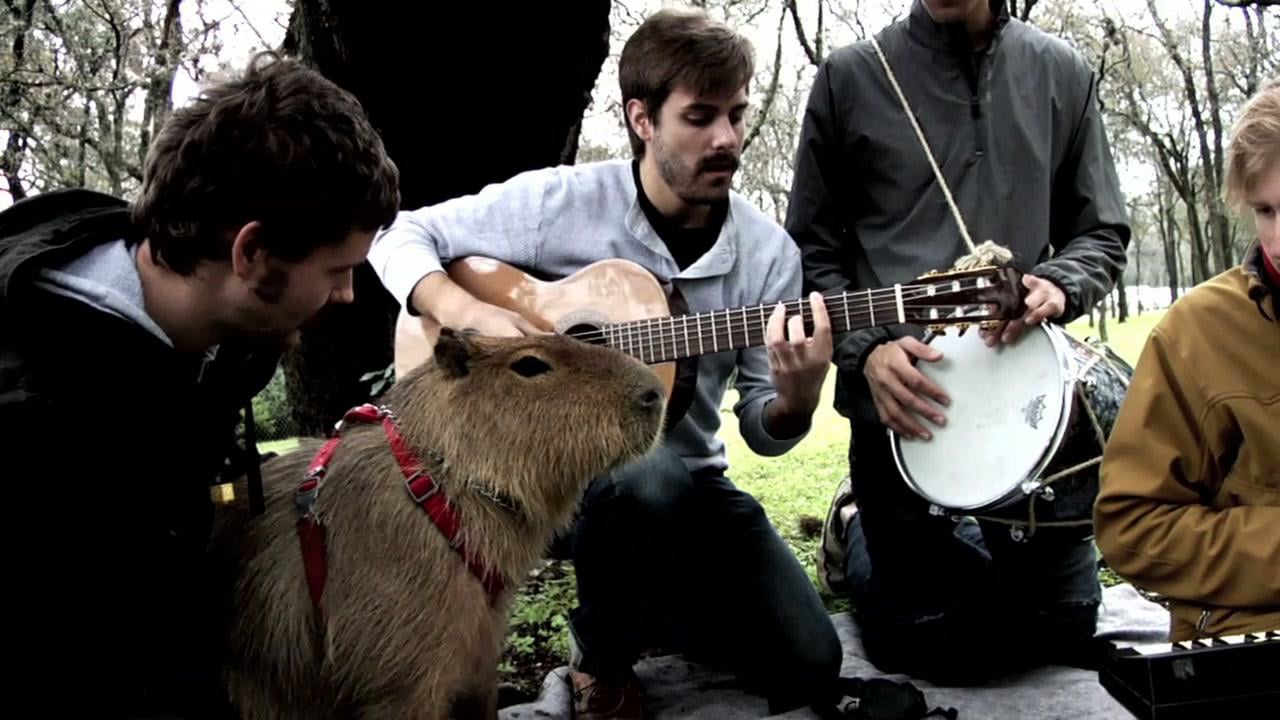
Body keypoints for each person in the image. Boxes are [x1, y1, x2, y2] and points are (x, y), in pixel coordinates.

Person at [368, 8, 842, 718]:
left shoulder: (769, 254)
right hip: (548, 478)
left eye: (737, 115)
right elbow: (396, 233)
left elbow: (759, 427)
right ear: (642, 119)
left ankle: (654, 598)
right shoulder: (559, 203)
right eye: (700, 117)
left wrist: (795, 402)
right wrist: (468, 312)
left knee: (811, 661)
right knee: (647, 478)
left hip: (694, 485)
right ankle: (602, 656)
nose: (727, 138)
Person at [0, 52, 400, 718]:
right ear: (252, 253)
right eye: (337, 269)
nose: (347, 294)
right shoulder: (41, 435)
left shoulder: (214, 347)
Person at [785, 0, 1131, 684]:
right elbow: (810, 250)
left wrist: (1061, 282)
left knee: (1065, 627)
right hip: (902, 411)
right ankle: (859, 519)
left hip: (1028, 410)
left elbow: (1101, 230)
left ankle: (941, 549)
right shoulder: (848, 77)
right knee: (931, 644)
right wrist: (867, 351)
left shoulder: (1062, 71)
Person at [1094, 78, 1280, 642]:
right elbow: (1132, 527)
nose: (1278, 240)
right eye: (1266, 210)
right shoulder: (1197, 332)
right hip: (1255, 635)